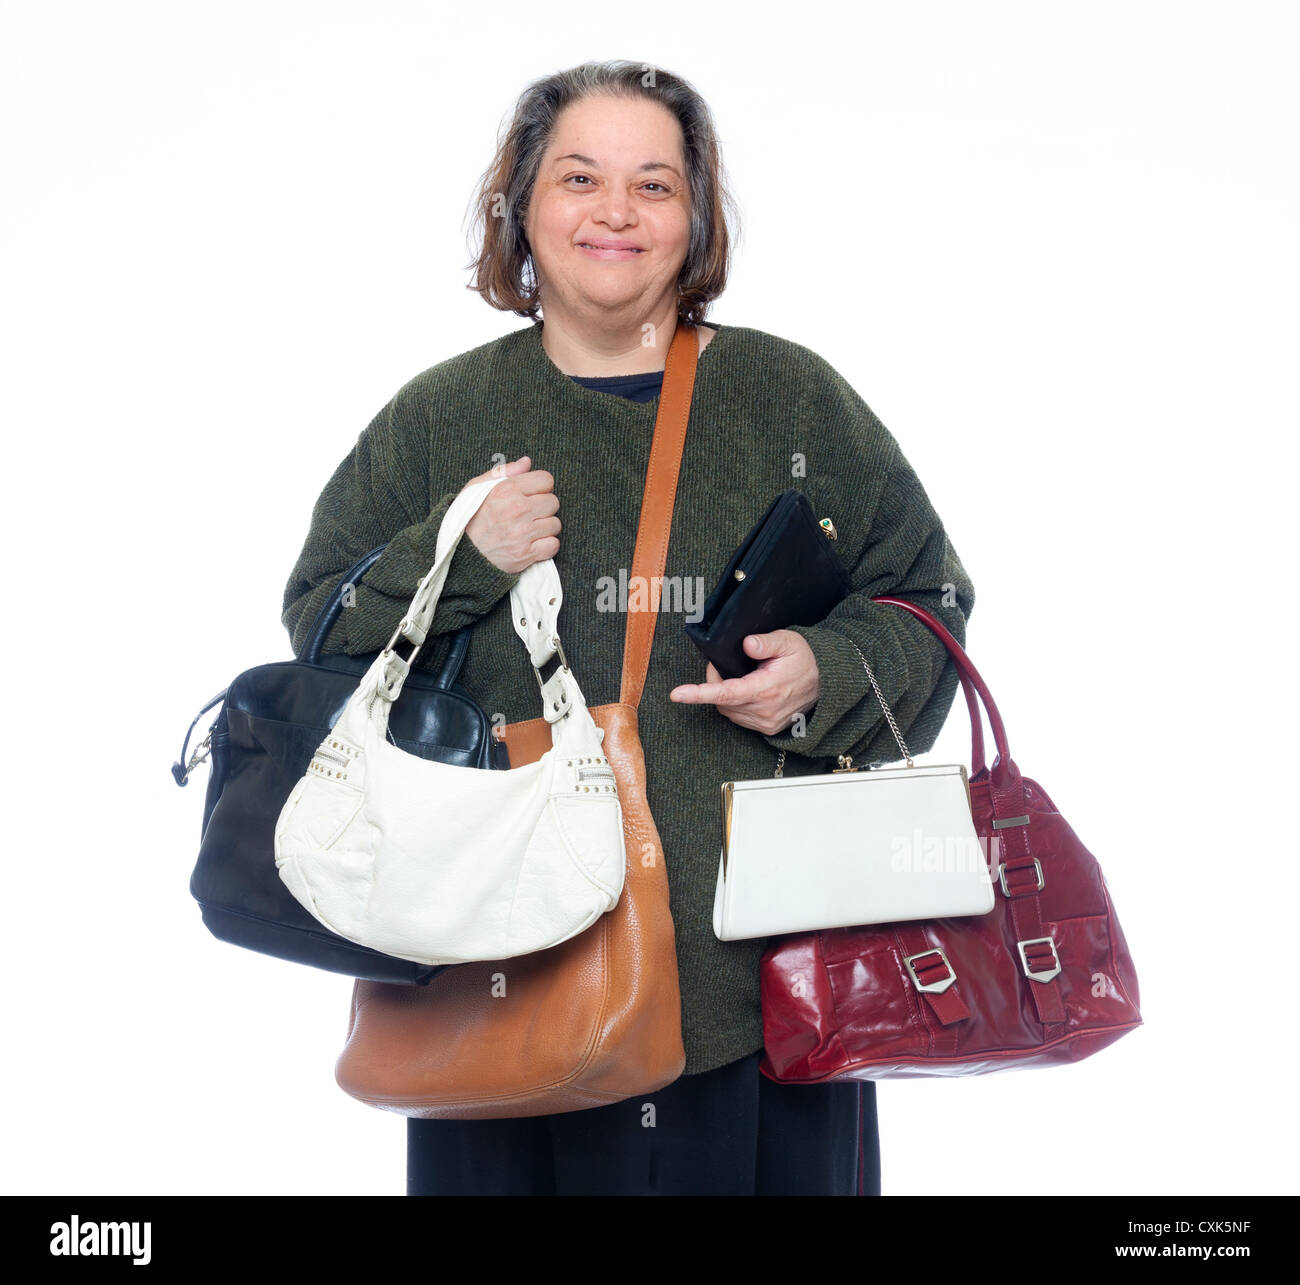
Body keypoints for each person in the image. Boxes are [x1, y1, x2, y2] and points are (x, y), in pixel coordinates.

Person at [281, 59, 975, 1197]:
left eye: (654, 185)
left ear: (695, 215)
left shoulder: (791, 398)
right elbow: (321, 630)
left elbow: (927, 597)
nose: (615, 212)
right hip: (497, 974)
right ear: (520, 205)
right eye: (579, 177)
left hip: (763, 984)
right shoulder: (437, 418)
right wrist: (456, 557)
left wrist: (827, 667)